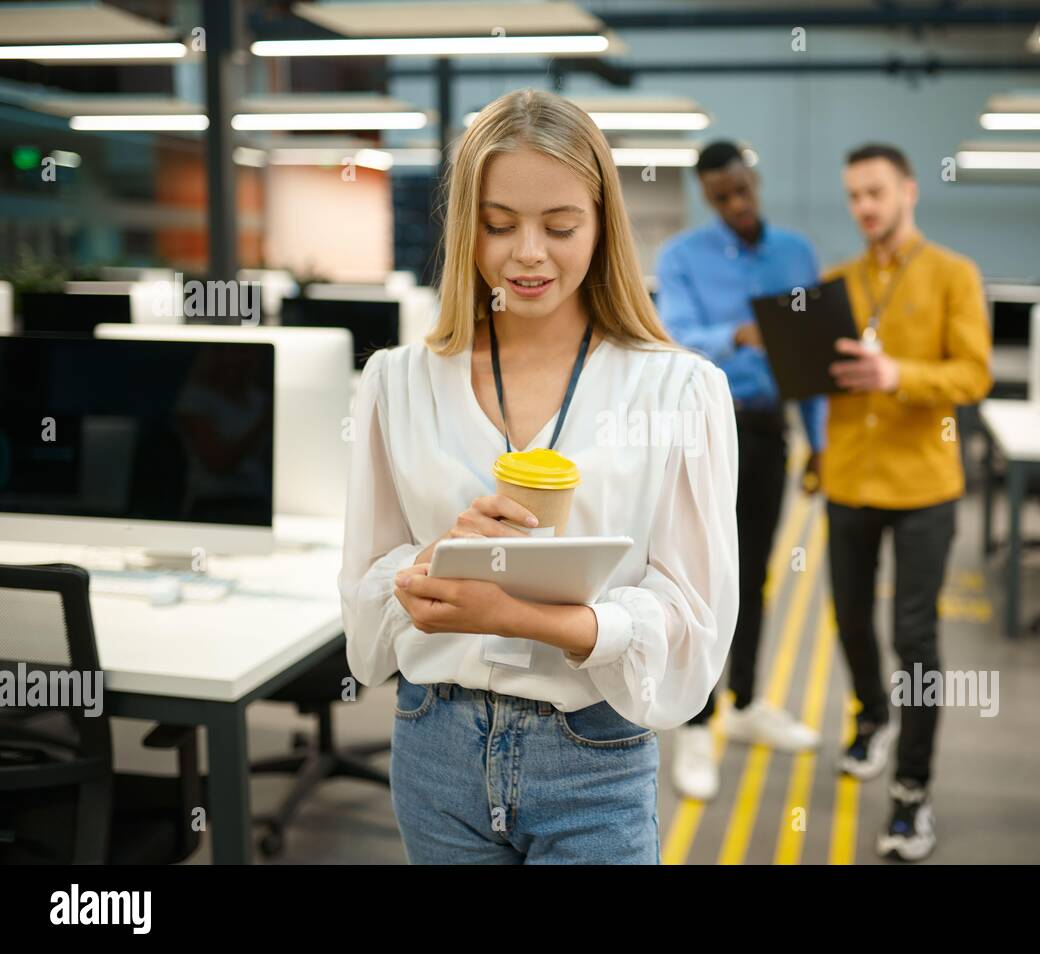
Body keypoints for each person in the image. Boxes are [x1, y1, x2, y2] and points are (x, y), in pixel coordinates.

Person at [338, 89, 740, 864]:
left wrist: (525, 616)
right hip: (435, 750)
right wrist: (427, 568)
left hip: (591, 757)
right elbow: (365, 611)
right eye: (498, 225)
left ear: (601, 225)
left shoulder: (676, 390)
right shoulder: (397, 381)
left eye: (560, 227)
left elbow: (692, 630)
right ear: (465, 228)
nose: (528, 254)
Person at [822, 143, 991, 861]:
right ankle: (874, 715)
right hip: (847, 481)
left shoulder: (954, 275)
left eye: (876, 193)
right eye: (855, 195)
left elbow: (973, 374)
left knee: (914, 637)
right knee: (851, 618)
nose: (865, 207)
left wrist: (898, 375)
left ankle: (912, 793)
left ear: (908, 192)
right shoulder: (837, 281)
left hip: (924, 487)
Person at [655, 140, 826, 802]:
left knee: (753, 572)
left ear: (754, 179)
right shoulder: (683, 257)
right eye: (721, 196)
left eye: (742, 190)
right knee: (702, 573)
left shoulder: (796, 253)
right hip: (705, 430)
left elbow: (810, 360)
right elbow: (674, 338)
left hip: (767, 428)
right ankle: (696, 722)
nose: (736, 204)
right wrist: (741, 333)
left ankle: (748, 702)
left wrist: (820, 442)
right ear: (706, 195)